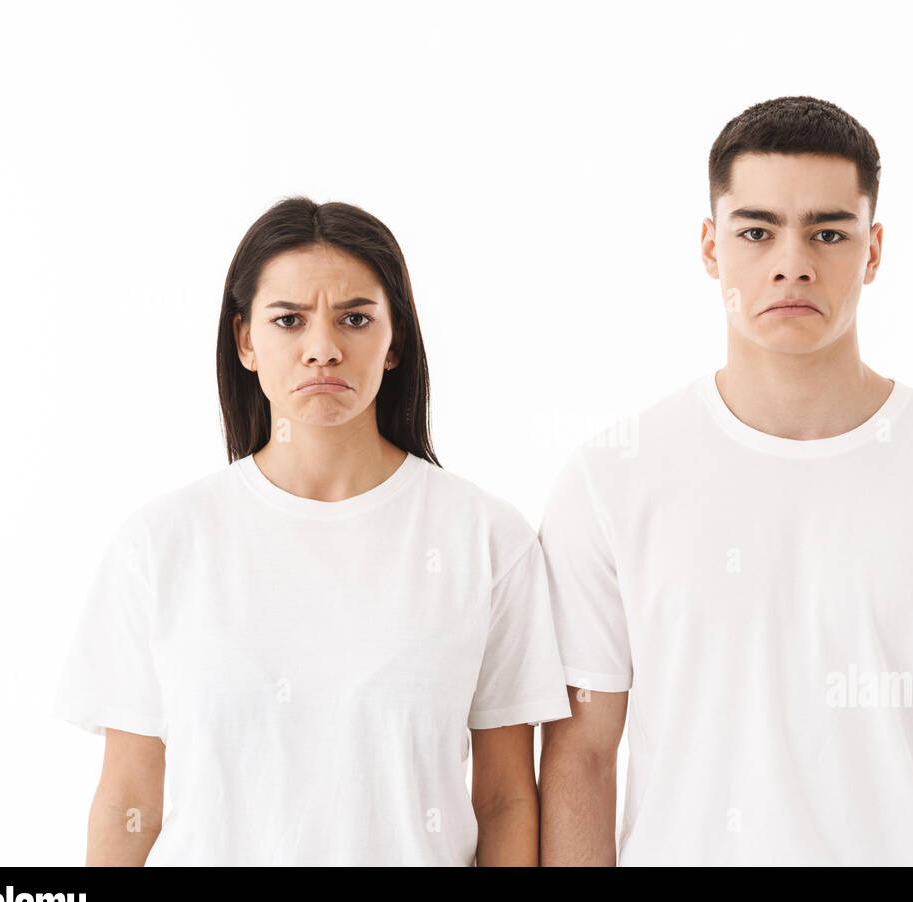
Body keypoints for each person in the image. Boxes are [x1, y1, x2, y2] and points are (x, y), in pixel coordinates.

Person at [537, 96, 913, 866]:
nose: (792, 262)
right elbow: (580, 760)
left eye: (829, 232)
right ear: (709, 247)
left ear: (875, 250)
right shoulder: (610, 480)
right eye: (756, 232)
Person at [53, 196, 571, 866]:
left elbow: (504, 799)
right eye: (288, 321)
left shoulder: (486, 539)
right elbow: (129, 801)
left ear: (395, 342)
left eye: (355, 319)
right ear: (245, 341)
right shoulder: (161, 544)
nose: (322, 349)